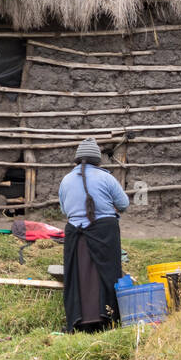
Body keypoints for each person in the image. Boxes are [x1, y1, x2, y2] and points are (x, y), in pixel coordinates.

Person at [58, 138, 129, 333]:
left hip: (76, 234)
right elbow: (123, 204)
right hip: (104, 234)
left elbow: (65, 210)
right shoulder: (106, 178)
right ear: (98, 161)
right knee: (106, 274)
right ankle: (107, 318)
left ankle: (79, 320)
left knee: (78, 275)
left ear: (77, 160)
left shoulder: (65, 181)